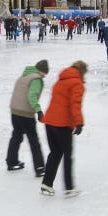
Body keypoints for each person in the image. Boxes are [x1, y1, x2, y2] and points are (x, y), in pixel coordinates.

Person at [41, 60, 87, 198]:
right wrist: (79, 123)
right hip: (63, 124)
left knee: (55, 153)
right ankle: (69, 187)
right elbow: (75, 104)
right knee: (67, 155)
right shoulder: (77, 83)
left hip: (49, 122)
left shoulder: (60, 81)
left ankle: (47, 184)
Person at [7, 60, 49, 177]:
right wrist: (38, 110)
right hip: (25, 113)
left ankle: (11, 161)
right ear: (42, 70)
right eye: (45, 73)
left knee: (16, 136)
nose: (45, 76)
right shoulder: (36, 79)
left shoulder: (24, 75)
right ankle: (40, 168)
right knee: (34, 141)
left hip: (14, 111)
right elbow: (32, 95)